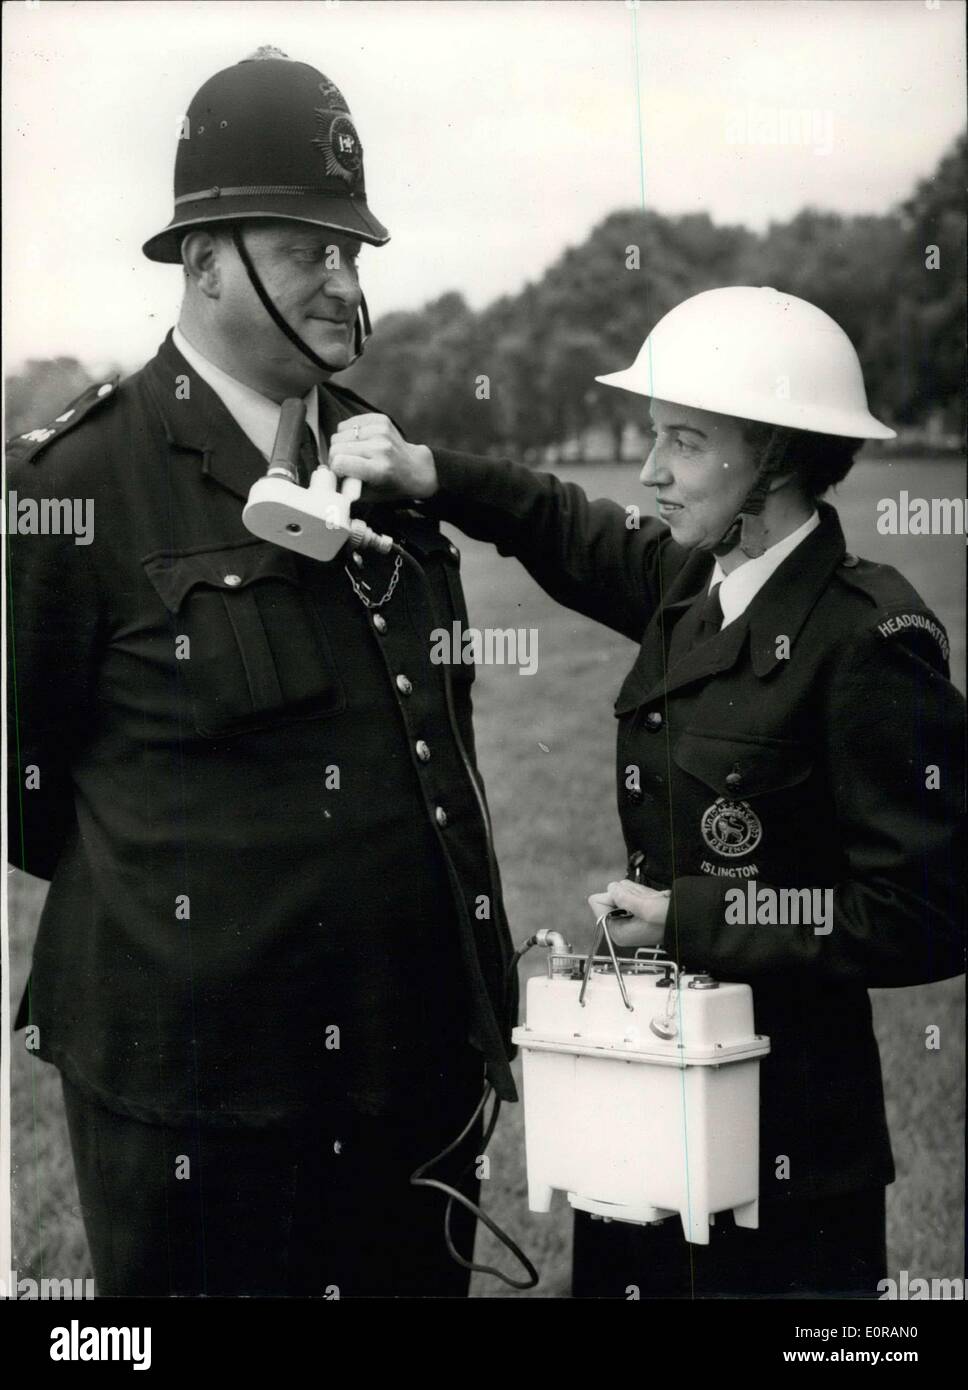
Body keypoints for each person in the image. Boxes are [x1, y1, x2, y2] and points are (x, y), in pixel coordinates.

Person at [326, 285, 966, 1298]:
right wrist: (426, 470)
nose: (650, 471)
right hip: (639, 1116)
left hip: (787, 1151)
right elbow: (557, 520)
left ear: (773, 455)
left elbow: (926, 913)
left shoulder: (867, 639)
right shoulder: (690, 583)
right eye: (653, 435)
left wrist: (689, 919)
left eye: (682, 441)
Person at [6, 49, 518, 1298]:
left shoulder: (380, 476)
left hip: (410, 1083)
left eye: (354, 252)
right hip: (200, 1107)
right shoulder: (75, 483)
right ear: (206, 260)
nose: (346, 281)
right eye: (310, 250)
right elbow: (29, 793)